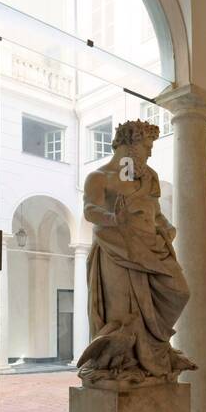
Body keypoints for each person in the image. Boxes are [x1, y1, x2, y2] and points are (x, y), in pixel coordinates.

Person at [77, 118, 194, 386]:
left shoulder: (149, 177)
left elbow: (156, 212)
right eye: (146, 145)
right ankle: (126, 362)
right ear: (128, 145)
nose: (150, 151)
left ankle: (154, 347)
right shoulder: (98, 178)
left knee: (179, 291)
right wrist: (112, 218)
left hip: (151, 247)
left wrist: (166, 227)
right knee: (124, 313)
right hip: (116, 249)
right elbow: (89, 210)